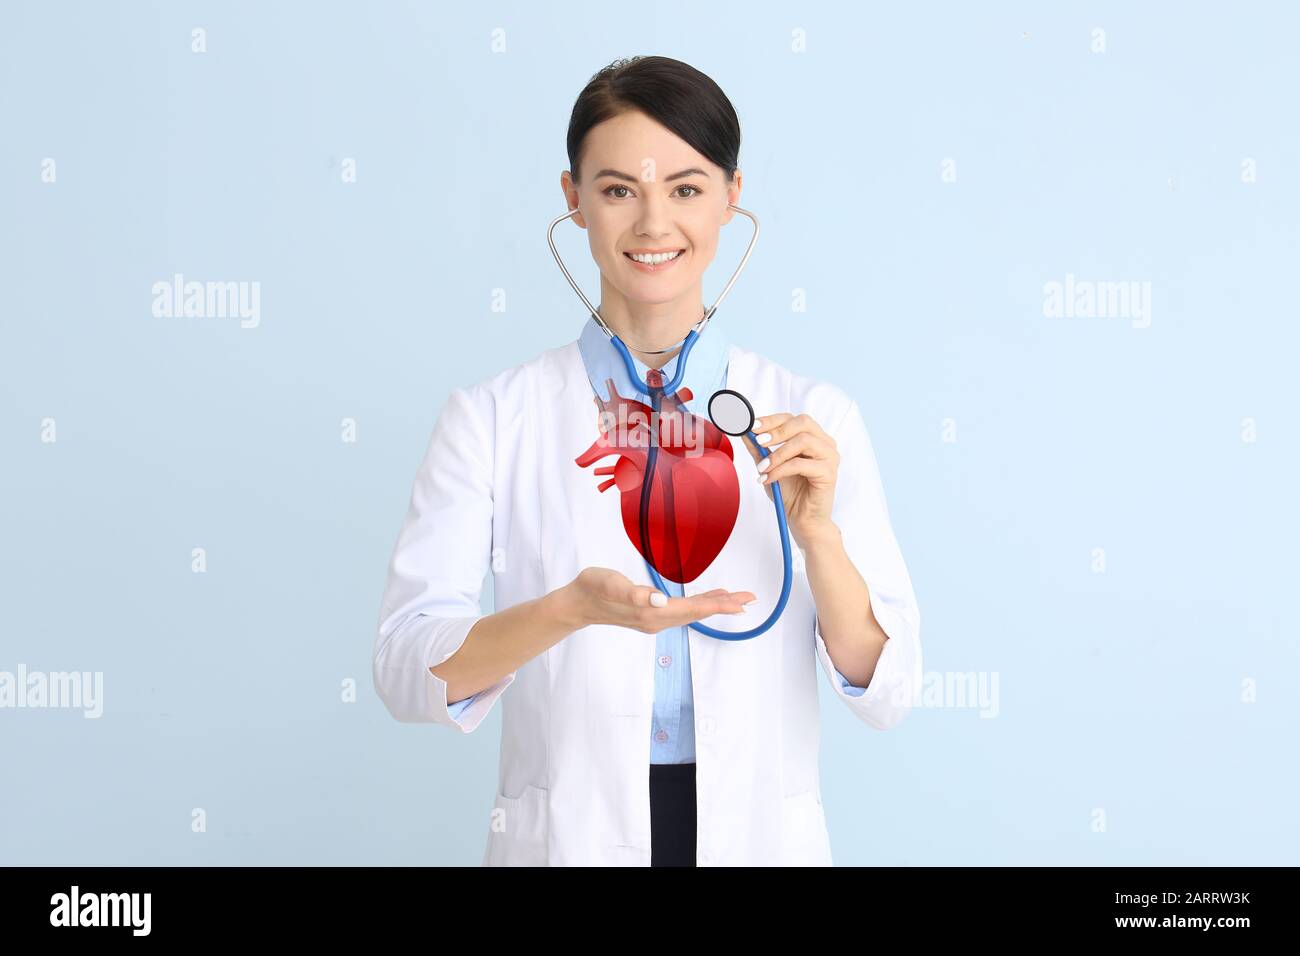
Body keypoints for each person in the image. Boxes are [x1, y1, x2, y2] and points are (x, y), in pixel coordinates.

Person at [373, 55, 921, 867]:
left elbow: (888, 691)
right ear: (574, 199)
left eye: (687, 189)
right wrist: (565, 611)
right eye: (620, 189)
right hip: (569, 839)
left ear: (734, 197)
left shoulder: (814, 419)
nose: (654, 224)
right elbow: (404, 669)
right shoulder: (491, 419)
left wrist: (822, 541)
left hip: (757, 838)